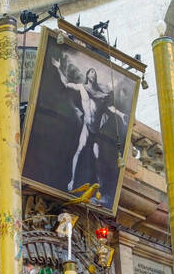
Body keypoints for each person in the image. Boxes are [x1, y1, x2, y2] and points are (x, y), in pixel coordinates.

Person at [51, 56, 123, 194]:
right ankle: (72, 180)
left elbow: (110, 108)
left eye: (95, 73)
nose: (93, 74)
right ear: (87, 75)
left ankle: (99, 185)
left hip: (96, 131)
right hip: (86, 127)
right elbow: (66, 84)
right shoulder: (82, 88)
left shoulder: (101, 95)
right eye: (91, 72)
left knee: (97, 156)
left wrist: (121, 115)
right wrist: (58, 67)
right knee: (79, 149)